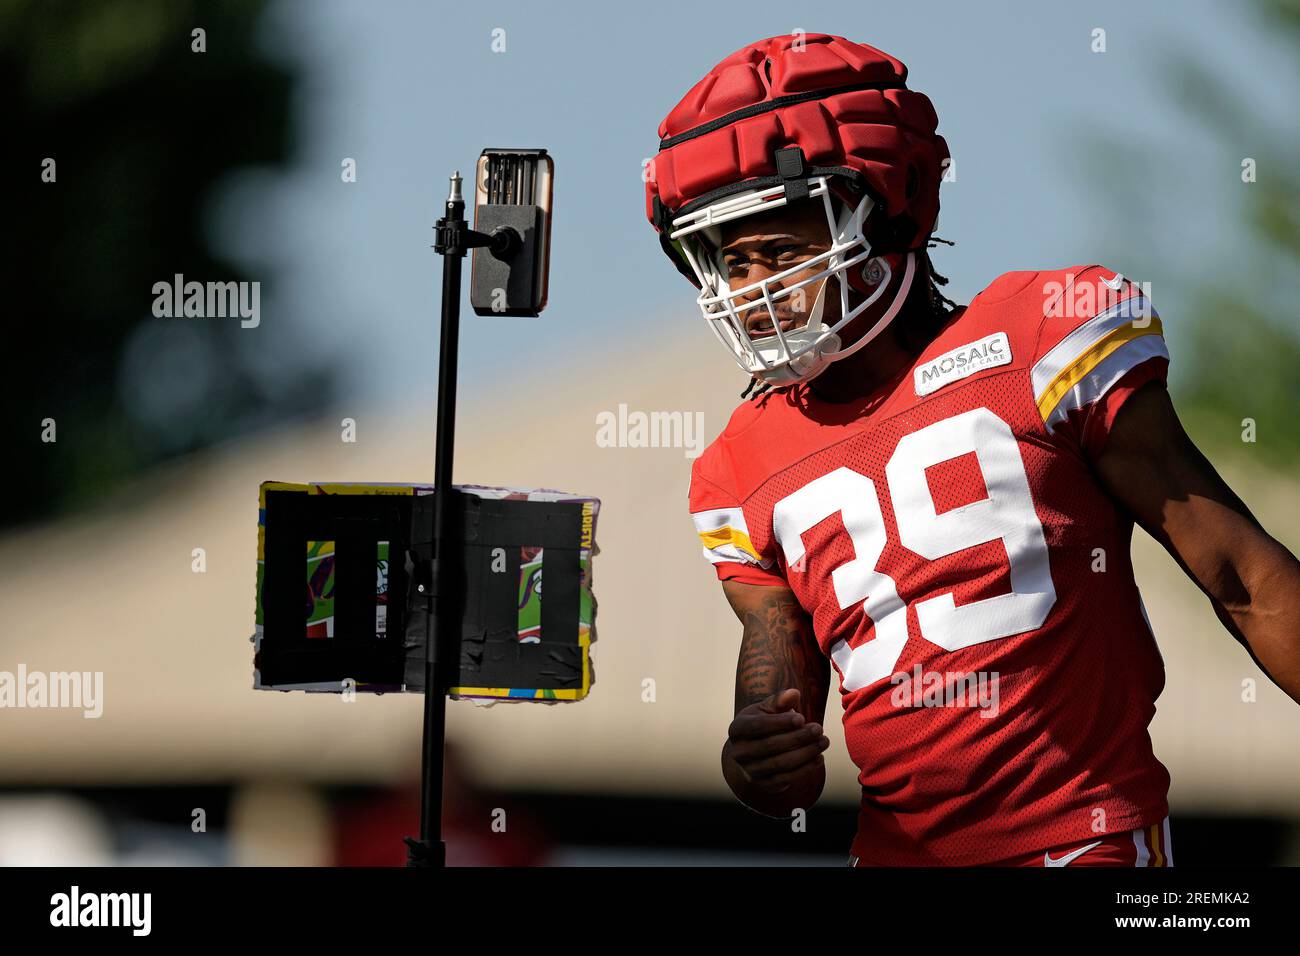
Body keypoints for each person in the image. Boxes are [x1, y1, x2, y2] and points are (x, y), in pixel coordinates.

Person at [644, 32, 1300, 866]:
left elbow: (1241, 575)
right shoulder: (740, 466)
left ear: (891, 204)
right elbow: (782, 741)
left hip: (1080, 845)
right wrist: (754, 761)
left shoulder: (1042, 337)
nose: (756, 288)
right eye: (731, 260)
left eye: (782, 248)